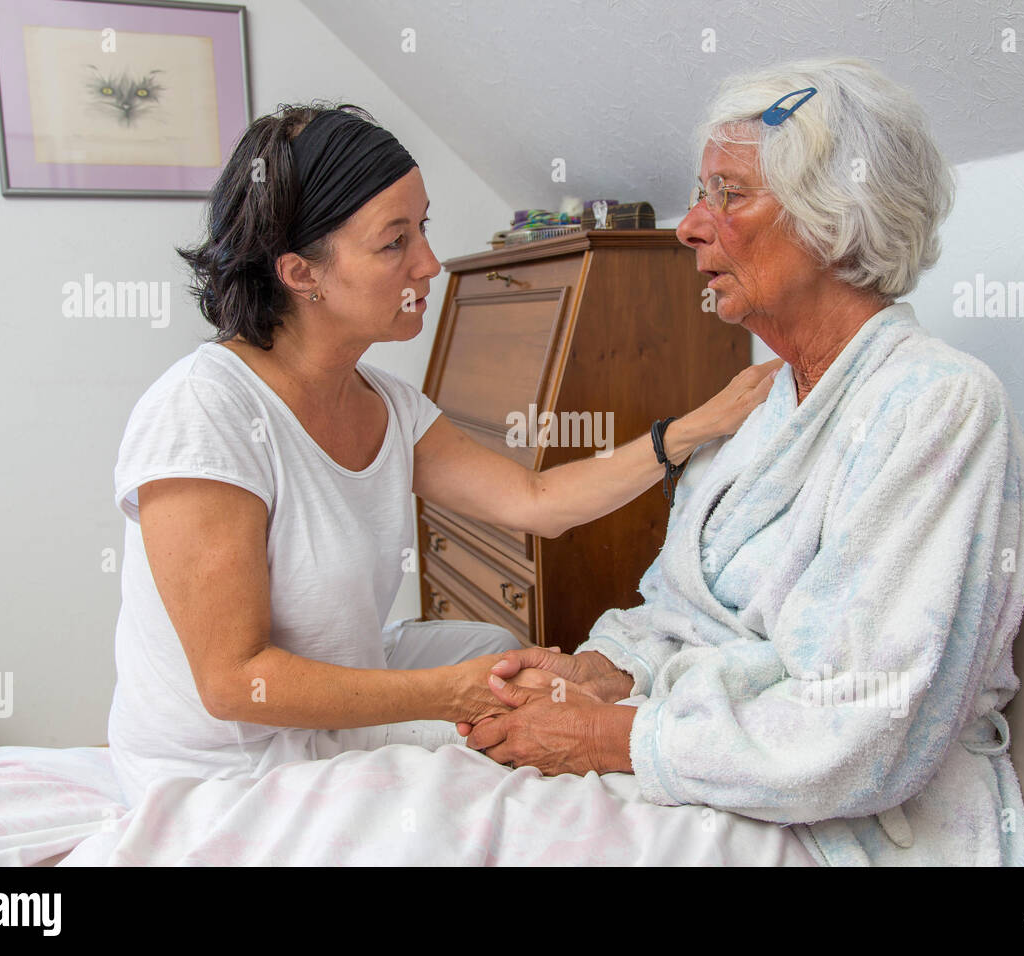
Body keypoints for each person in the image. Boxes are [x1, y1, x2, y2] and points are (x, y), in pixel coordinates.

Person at [468, 58, 1024, 866]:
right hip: (687, 749)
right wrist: (604, 669)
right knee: (434, 785)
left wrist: (608, 735)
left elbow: (865, 730)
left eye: (728, 193)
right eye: (698, 192)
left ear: (836, 219)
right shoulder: (764, 400)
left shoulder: (940, 404)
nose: (687, 226)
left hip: (831, 818)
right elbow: (678, 608)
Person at [107, 103, 778, 806]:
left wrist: (696, 427)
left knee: (494, 648)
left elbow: (537, 503)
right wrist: (444, 695)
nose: (429, 263)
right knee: (503, 744)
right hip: (231, 763)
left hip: (335, 687)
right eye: (394, 242)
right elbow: (234, 680)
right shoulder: (205, 410)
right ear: (303, 272)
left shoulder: (387, 405)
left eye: (421, 227)